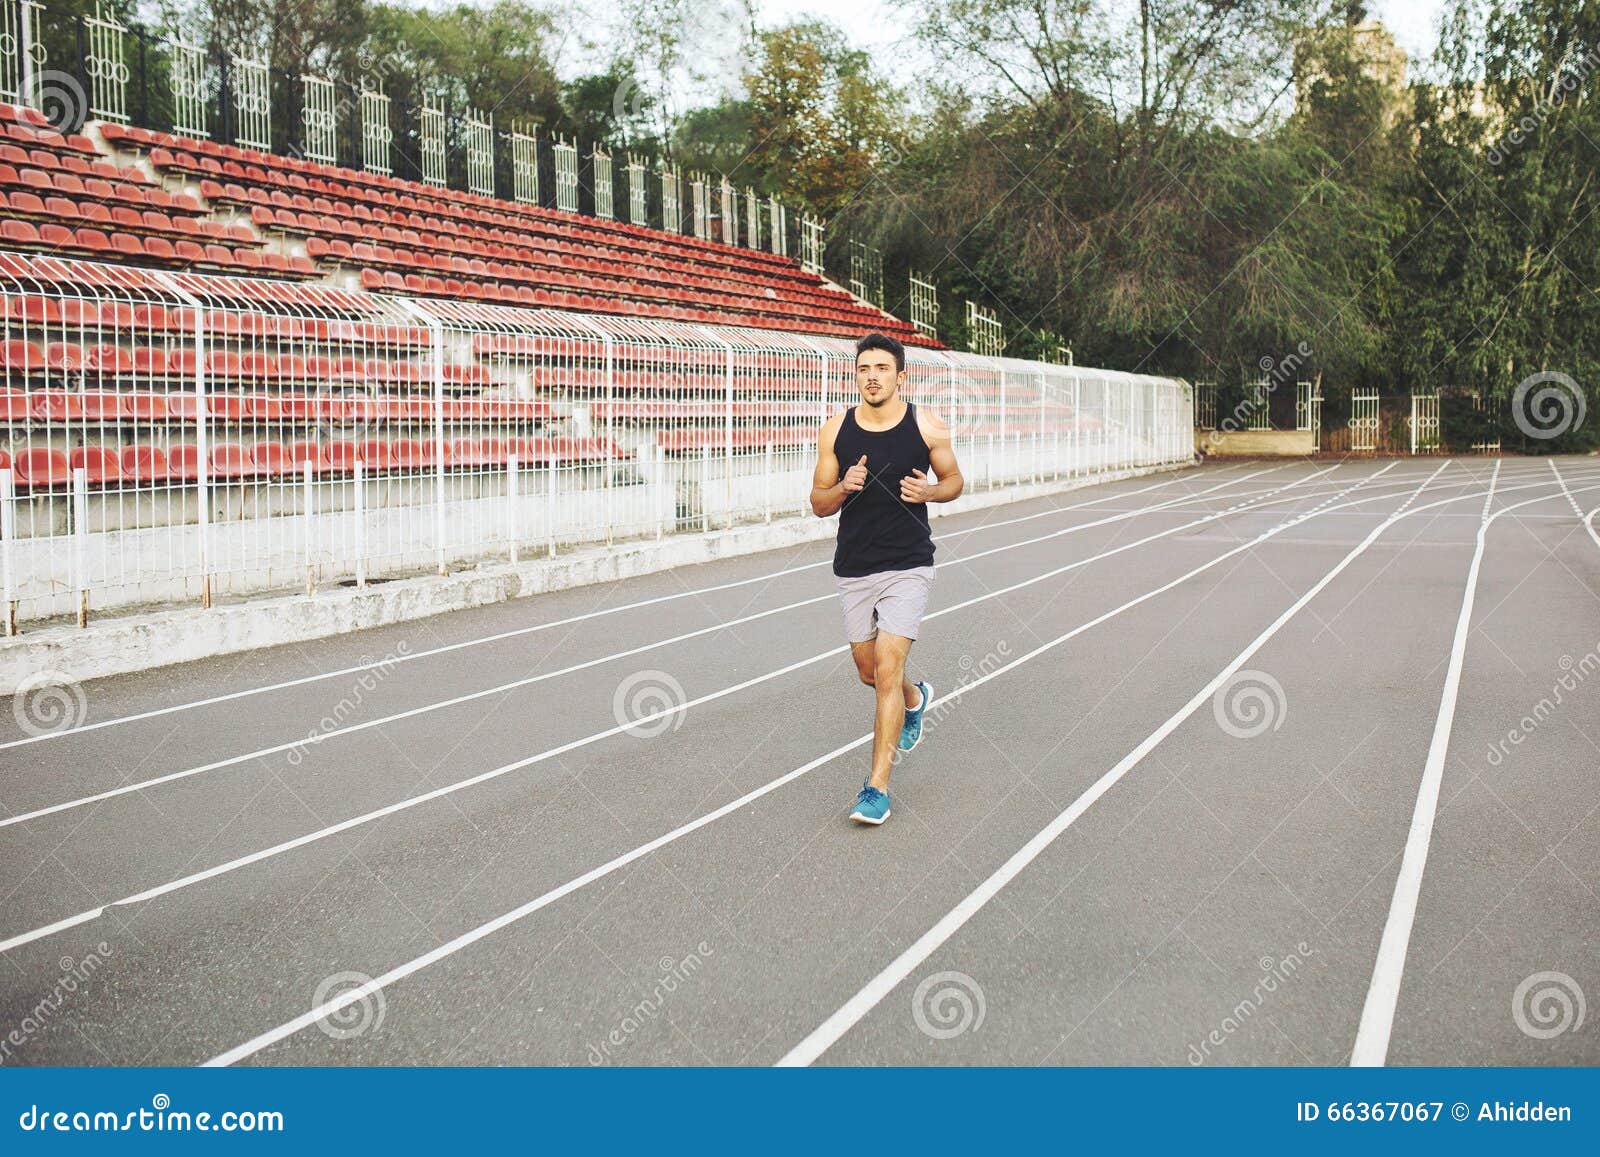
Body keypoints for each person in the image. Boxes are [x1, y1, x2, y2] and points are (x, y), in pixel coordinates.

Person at [810, 332, 964, 825]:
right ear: (856, 375)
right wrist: (842, 487)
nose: (872, 376)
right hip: (855, 564)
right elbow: (817, 502)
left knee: (888, 669)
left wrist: (931, 492)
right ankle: (916, 700)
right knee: (868, 670)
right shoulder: (835, 430)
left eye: (882, 368)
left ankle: (875, 788)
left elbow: (955, 480)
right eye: (864, 368)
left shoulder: (927, 425)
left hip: (909, 561)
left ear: (901, 376)